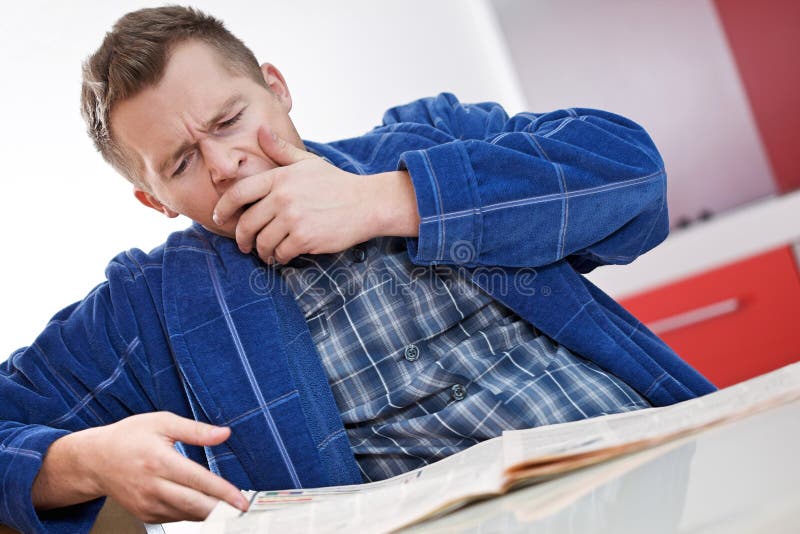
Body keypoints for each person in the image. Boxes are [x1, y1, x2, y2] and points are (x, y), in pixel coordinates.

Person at [0, 6, 715, 533]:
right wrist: (83, 461)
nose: (224, 163)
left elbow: (632, 173)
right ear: (154, 199)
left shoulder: (428, 135)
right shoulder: (146, 307)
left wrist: (387, 200)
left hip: (661, 476)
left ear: (276, 87)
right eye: (182, 163)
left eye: (228, 120)